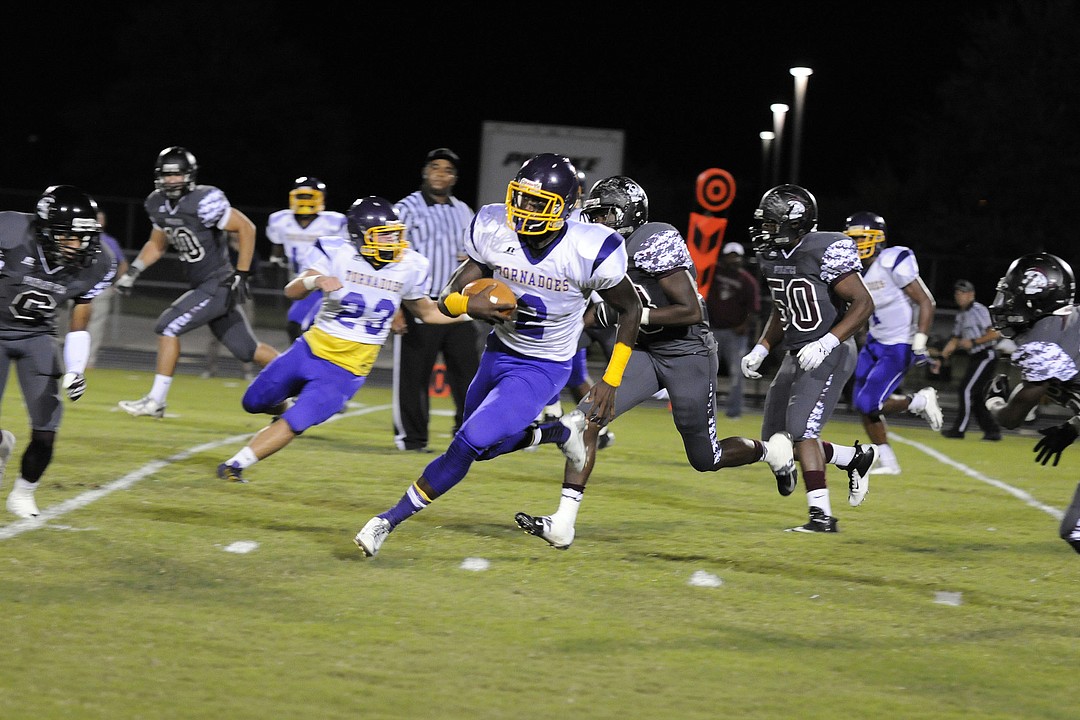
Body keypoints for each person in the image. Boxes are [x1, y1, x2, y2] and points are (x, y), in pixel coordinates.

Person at [354, 153, 643, 557]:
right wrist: (472, 306)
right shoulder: (493, 225)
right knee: (479, 446)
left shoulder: (589, 247)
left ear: (564, 209)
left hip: (543, 366)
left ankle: (386, 520)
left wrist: (611, 379)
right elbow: (448, 297)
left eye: (537, 203)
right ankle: (561, 431)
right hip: (498, 351)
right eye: (520, 198)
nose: (523, 210)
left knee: (469, 442)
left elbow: (631, 309)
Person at [515, 176, 796, 549]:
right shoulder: (594, 248)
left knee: (705, 458)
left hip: (688, 352)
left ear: (628, 214)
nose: (596, 222)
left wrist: (633, 316)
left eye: (605, 214)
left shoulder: (653, 239)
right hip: (643, 352)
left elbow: (690, 310)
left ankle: (772, 452)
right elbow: (601, 310)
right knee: (588, 419)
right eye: (593, 214)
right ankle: (563, 523)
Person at [217, 196, 468, 482]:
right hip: (310, 349)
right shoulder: (336, 251)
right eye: (382, 235)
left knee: (298, 421)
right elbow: (292, 291)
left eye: (394, 234)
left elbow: (428, 312)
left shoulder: (410, 264)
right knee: (254, 401)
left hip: (348, 368)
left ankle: (235, 465)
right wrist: (315, 281)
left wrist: (472, 313)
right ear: (358, 236)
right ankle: (282, 406)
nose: (392, 241)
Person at [740, 184, 877, 532]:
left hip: (832, 350)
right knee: (775, 440)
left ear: (796, 223)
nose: (765, 230)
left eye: (772, 223)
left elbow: (863, 303)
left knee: (801, 431)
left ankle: (821, 516)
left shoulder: (827, 248)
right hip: (797, 351)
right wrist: (763, 347)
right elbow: (782, 305)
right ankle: (853, 457)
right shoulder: (771, 255)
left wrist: (828, 342)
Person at [115, 146, 279, 417]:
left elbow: (246, 227)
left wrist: (242, 272)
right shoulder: (156, 203)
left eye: (177, 175)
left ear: (189, 175)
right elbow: (156, 245)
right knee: (248, 350)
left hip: (218, 282)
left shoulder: (204, 200)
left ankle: (156, 401)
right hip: (203, 284)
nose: (171, 181)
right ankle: (296, 385)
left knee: (167, 326)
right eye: (167, 176)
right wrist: (133, 272)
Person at [0, 186, 114, 517]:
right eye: (69, 236)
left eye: (84, 237)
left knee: (47, 427)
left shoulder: (97, 262)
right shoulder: (9, 231)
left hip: (38, 336)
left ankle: (23, 494)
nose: (78, 245)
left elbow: (80, 319)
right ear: (46, 229)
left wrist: (76, 368)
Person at [981, 252, 1080, 553]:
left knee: (1075, 531)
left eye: (1011, 295)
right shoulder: (1068, 325)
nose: (1004, 303)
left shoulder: (1045, 340)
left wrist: (994, 402)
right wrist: (1074, 428)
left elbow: (1012, 417)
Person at [390, 148, 479, 453]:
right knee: (414, 378)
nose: (441, 174)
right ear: (425, 173)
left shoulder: (463, 211)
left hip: (456, 304)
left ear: (454, 177)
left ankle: (467, 436)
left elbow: (475, 254)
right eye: (435, 168)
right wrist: (395, 307)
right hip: (418, 302)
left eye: (448, 170)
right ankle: (412, 440)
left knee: (469, 376)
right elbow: (390, 259)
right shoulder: (406, 208)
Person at [843, 211, 943, 474]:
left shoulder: (891, 261)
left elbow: (926, 301)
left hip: (899, 343)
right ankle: (888, 461)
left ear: (877, 239)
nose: (855, 245)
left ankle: (919, 401)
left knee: (869, 403)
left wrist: (920, 341)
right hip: (876, 341)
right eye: (851, 239)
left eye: (860, 238)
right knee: (860, 403)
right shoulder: (856, 271)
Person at [266, 177, 347, 343]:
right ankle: (306, 365)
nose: (304, 201)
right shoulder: (281, 220)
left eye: (308, 196)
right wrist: (275, 259)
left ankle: (307, 365)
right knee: (298, 327)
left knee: (302, 326)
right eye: (301, 196)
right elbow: (278, 246)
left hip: (325, 284)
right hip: (301, 283)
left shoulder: (334, 222)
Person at [937, 278, 1002, 440]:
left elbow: (994, 333)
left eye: (963, 293)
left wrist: (973, 342)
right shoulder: (961, 315)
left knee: (966, 390)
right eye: (957, 293)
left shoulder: (979, 310)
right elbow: (954, 339)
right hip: (976, 357)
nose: (959, 296)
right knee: (977, 396)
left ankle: (959, 429)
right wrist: (941, 358)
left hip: (986, 355)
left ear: (971, 295)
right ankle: (992, 431)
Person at [705, 240, 760, 419]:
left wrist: (744, 325)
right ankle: (703, 410)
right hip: (712, 330)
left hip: (735, 334)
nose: (733, 260)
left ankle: (734, 412)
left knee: (737, 374)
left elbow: (754, 309)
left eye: (736, 257)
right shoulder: (713, 274)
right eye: (730, 256)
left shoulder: (747, 281)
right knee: (705, 372)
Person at [85, 210, 128, 369]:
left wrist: (116, 283)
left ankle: (89, 359)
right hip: (81, 288)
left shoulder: (108, 241)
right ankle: (76, 357)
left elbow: (123, 263)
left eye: (100, 219)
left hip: (100, 288)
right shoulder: (79, 236)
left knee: (95, 325)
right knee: (78, 323)